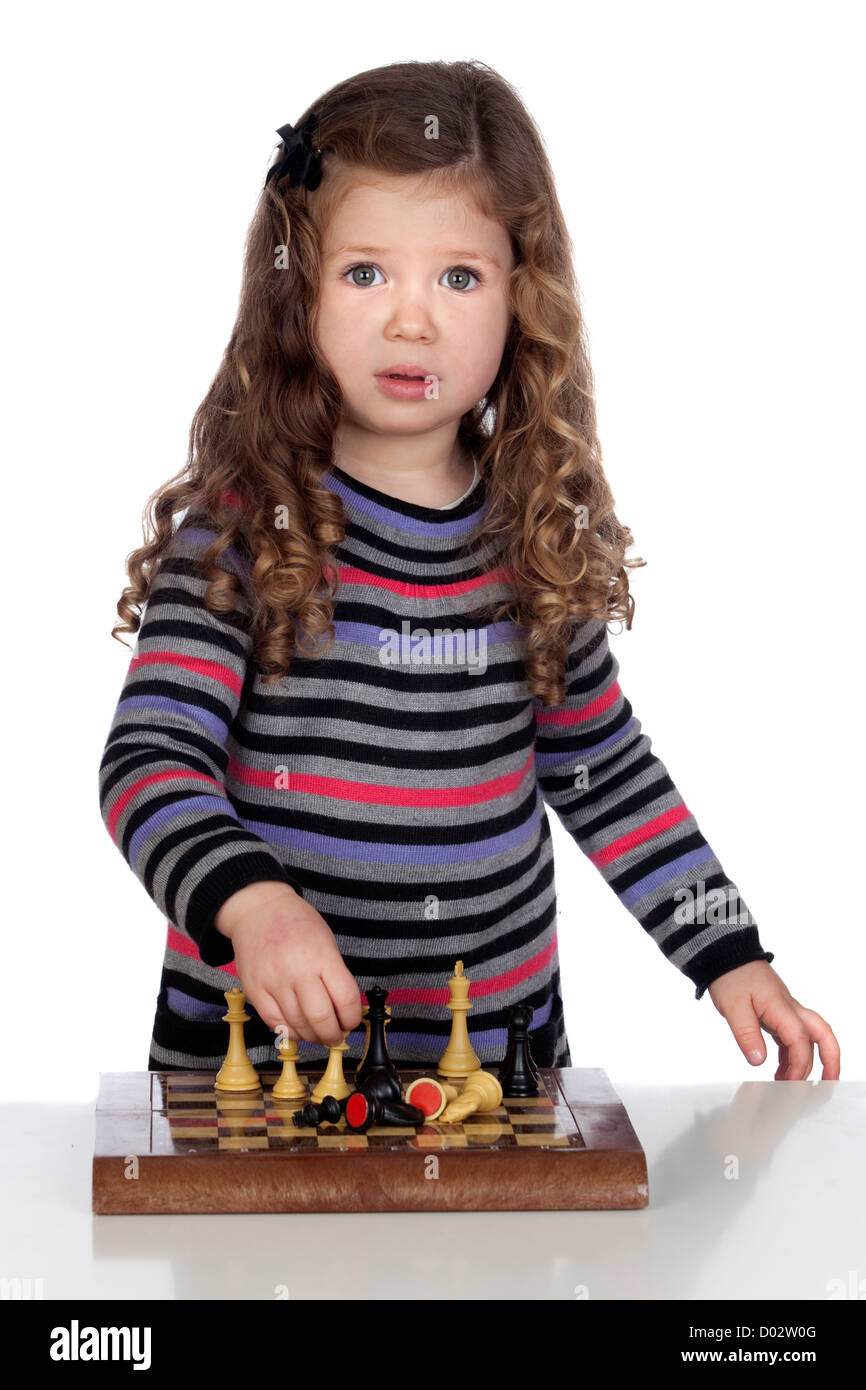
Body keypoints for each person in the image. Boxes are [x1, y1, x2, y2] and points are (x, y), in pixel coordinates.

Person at [99, 59, 839, 1082]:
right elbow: (149, 761)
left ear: (520, 298)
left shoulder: (530, 535)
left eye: (458, 276)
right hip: (253, 1070)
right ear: (292, 289)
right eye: (365, 273)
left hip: (487, 1066)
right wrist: (251, 903)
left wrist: (726, 949)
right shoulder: (238, 534)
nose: (412, 319)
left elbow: (603, 771)